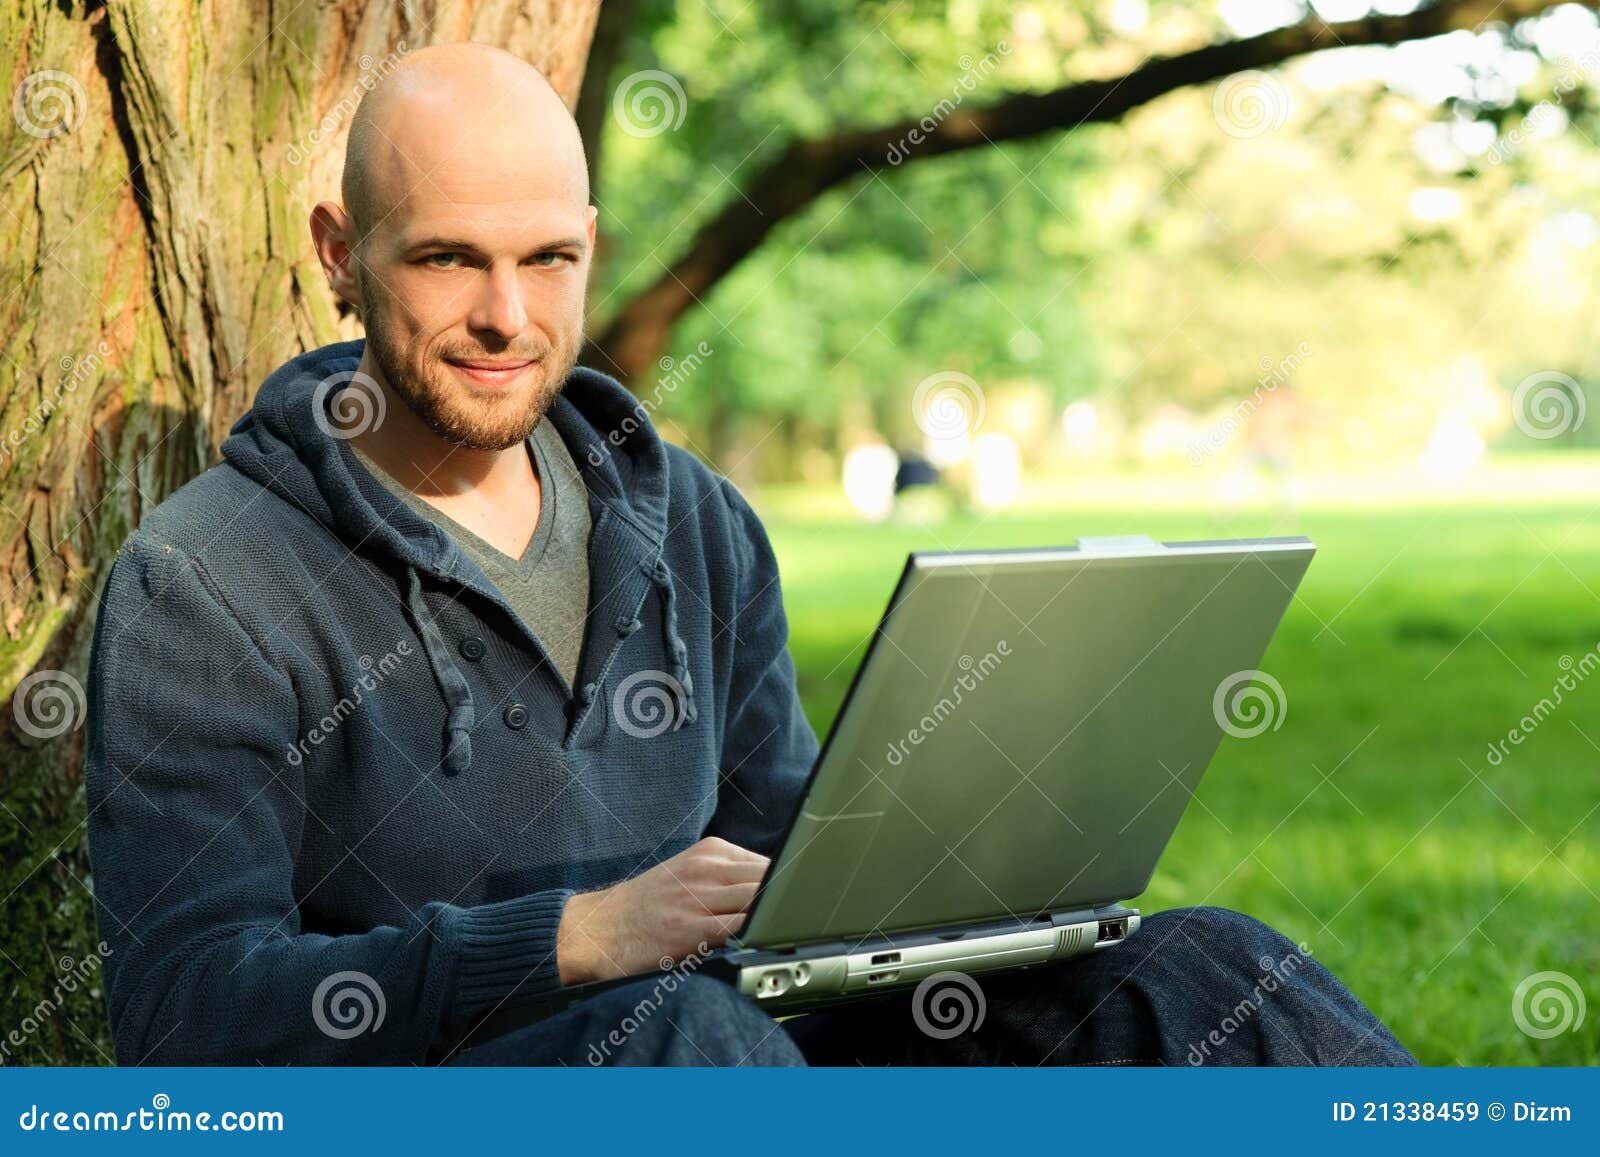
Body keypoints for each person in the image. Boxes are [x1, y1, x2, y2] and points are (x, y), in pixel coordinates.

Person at [83, 42, 1414, 1067]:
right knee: (677, 1039)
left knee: (1196, 972)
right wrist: (573, 938)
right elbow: (185, 1016)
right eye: (447, 260)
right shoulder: (204, 581)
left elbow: (791, 890)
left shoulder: (697, 527)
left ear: (589, 248)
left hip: (744, 1061)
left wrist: (956, 892)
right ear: (339, 253)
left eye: (547, 260)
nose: (506, 314)